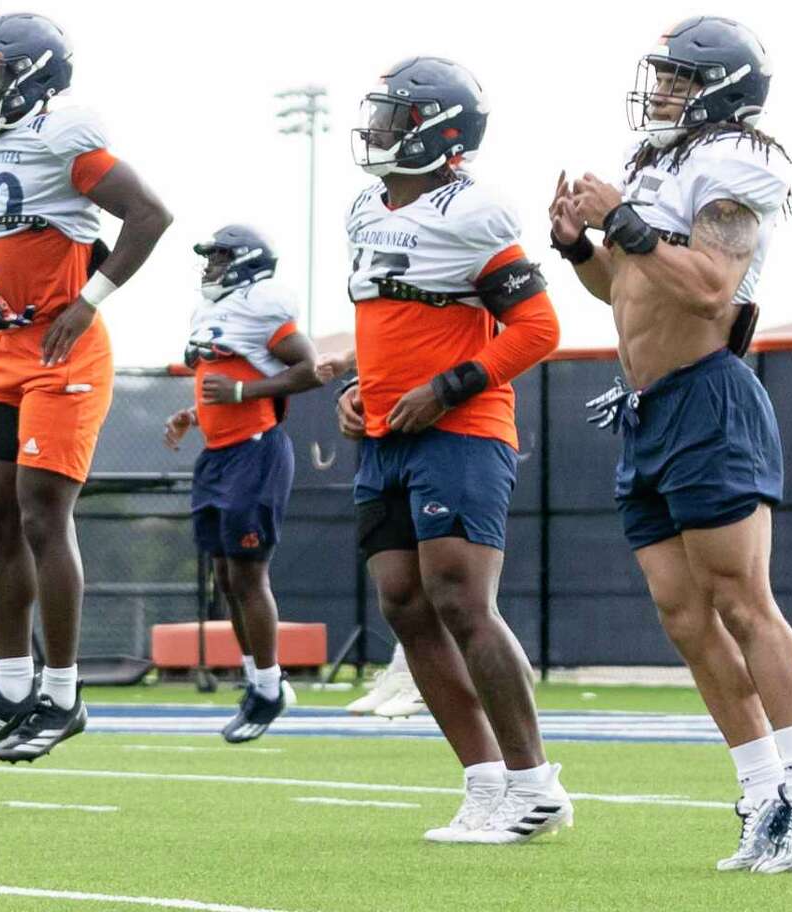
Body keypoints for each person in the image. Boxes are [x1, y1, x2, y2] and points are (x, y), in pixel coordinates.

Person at [552, 16, 792, 874]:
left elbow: (713, 286)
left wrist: (625, 220)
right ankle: (760, 790)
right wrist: (578, 245)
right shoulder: (662, 164)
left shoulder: (738, 161)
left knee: (741, 600)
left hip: (710, 399)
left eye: (679, 79)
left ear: (719, 86)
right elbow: (630, 287)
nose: (663, 93)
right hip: (647, 408)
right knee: (685, 617)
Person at [339, 57, 569, 844]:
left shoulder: (473, 211)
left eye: (393, 117)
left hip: (461, 432)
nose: (376, 130)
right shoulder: (364, 208)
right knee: (403, 602)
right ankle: (484, 782)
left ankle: (535, 783)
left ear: (437, 132)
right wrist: (358, 390)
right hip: (385, 436)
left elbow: (539, 329)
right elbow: (389, 324)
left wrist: (447, 386)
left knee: (461, 602)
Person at [0, 12, 172, 763]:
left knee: (44, 518)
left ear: (35, 77)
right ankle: (11, 690)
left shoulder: (65, 134)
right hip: (8, 345)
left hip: (64, 353)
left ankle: (65, 693)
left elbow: (149, 214)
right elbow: (27, 239)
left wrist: (89, 299)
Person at [163, 224, 323, 743]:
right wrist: (196, 412)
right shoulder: (211, 310)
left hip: (256, 450)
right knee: (226, 576)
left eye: (220, 257)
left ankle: (269, 688)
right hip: (218, 453)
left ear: (247, 262)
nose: (210, 265)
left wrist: (242, 391)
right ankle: (259, 679)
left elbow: (309, 368)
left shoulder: (263, 305)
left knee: (248, 575)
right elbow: (221, 373)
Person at [315, 347, 430, 720]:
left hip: (452, 432)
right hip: (389, 438)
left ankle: (423, 678)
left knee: (452, 584)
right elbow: (389, 327)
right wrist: (352, 374)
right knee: (400, 587)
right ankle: (407, 671)